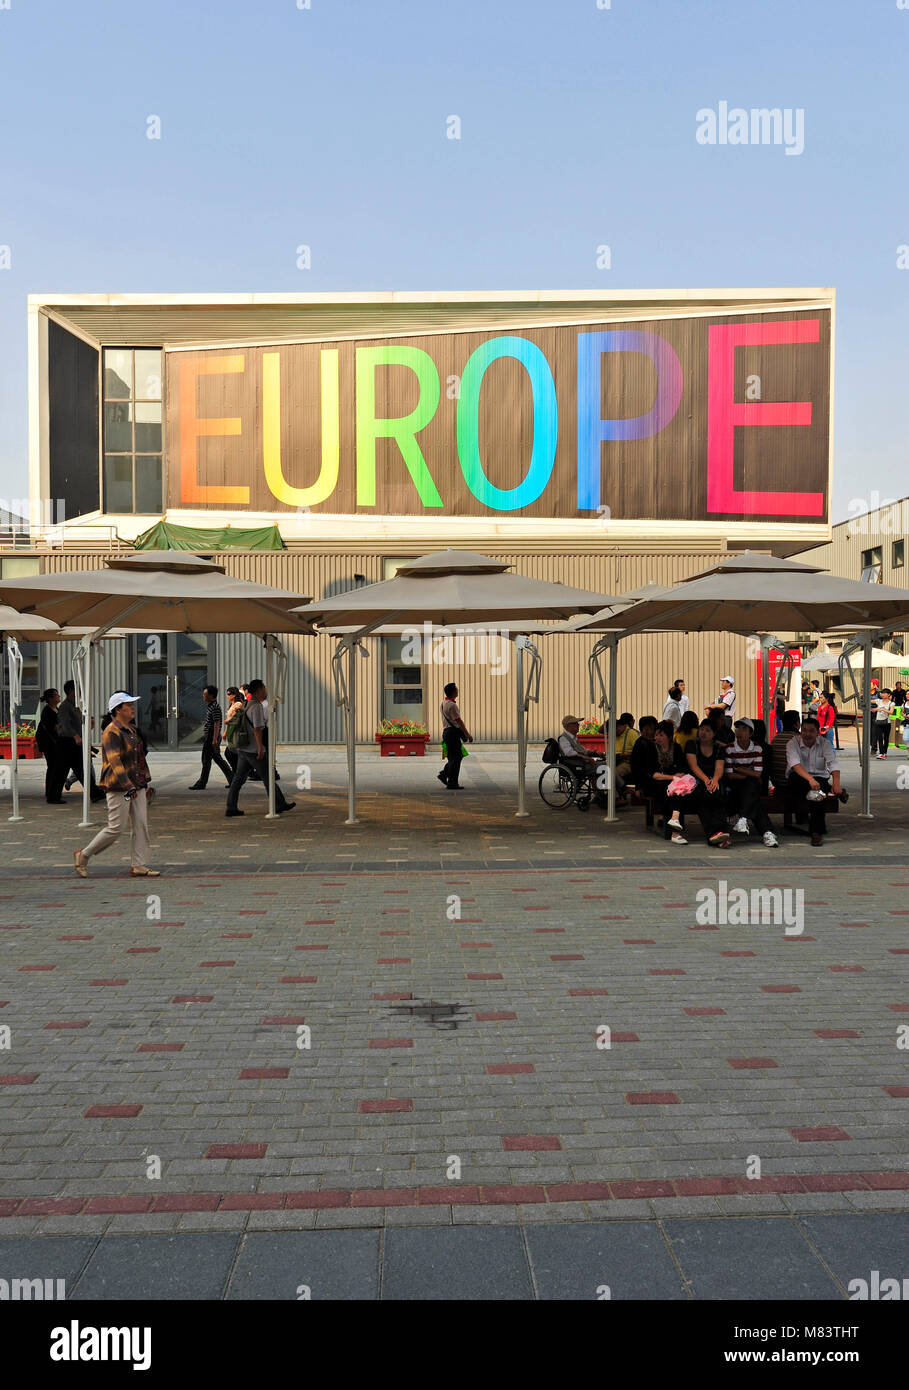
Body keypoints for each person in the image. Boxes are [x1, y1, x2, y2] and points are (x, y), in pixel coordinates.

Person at [73, 693, 159, 877]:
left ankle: (139, 864)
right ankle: (84, 855)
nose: (133, 708)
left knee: (141, 824)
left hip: (137, 785)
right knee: (116, 827)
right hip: (120, 788)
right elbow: (115, 762)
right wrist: (129, 786)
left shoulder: (131, 729)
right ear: (118, 709)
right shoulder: (111, 732)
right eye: (129, 705)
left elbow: (139, 758)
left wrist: (144, 781)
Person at [225, 678, 295, 817]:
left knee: (238, 779)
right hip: (253, 749)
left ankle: (231, 807)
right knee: (268, 777)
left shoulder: (247, 704)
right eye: (264, 688)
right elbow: (257, 729)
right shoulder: (256, 706)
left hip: (244, 749)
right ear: (258, 690)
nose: (266, 690)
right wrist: (260, 748)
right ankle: (279, 804)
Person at [786, 715, 846, 846]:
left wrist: (836, 783)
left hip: (818, 780)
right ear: (800, 730)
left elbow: (833, 764)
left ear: (817, 732)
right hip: (799, 778)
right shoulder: (792, 743)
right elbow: (795, 765)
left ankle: (815, 833)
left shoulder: (825, 744)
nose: (807, 734)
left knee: (817, 796)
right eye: (804, 730)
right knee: (817, 794)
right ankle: (818, 829)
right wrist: (810, 780)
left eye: (811, 731)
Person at [724, 717, 779, 846]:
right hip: (734, 788)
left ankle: (743, 819)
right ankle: (767, 832)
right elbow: (730, 775)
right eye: (738, 729)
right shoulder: (730, 748)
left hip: (749, 788)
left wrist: (739, 769)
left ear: (751, 733)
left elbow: (758, 773)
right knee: (753, 791)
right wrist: (748, 773)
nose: (739, 732)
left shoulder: (757, 748)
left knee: (752, 788)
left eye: (744, 729)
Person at [685, 719, 731, 846]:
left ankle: (718, 835)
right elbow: (694, 767)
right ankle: (717, 833)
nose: (703, 733)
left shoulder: (718, 748)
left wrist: (714, 780)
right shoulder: (691, 744)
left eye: (708, 730)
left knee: (717, 796)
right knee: (703, 799)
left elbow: (719, 767)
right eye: (702, 729)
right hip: (695, 781)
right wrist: (706, 780)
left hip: (713, 780)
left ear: (714, 734)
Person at [57, 680, 105, 802]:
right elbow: (65, 725)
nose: (80, 690)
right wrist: (75, 736)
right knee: (65, 770)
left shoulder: (76, 705)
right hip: (69, 743)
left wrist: (91, 720)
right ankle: (53, 795)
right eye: (77, 688)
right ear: (71, 691)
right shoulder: (65, 706)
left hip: (77, 743)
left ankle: (94, 793)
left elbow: (82, 719)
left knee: (82, 770)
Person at [646, 719, 690, 844]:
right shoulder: (651, 749)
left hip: (674, 784)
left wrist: (676, 778)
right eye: (656, 735)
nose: (657, 738)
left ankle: (675, 826)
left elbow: (683, 770)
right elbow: (654, 775)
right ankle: (675, 828)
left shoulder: (676, 748)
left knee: (678, 791)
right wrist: (673, 778)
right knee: (674, 792)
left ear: (669, 737)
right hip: (656, 784)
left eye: (661, 735)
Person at [557, 715, 609, 810]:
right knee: (605, 768)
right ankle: (606, 796)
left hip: (582, 763)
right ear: (568, 726)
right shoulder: (563, 738)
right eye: (575, 723)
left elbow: (583, 750)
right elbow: (569, 753)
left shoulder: (573, 738)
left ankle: (601, 794)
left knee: (607, 764)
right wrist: (587, 758)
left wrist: (594, 752)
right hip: (577, 765)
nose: (578, 725)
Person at [189, 685, 233, 790]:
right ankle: (233, 779)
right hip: (210, 736)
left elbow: (217, 724)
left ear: (211, 695)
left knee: (206, 760)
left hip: (211, 736)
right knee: (217, 759)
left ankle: (201, 783)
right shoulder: (211, 706)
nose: (203, 696)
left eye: (205, 694)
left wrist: (214, 739)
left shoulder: (215, 707)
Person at [438, 682, 472, 789]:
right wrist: (467, 734)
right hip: (452, 733)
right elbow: (459, 721)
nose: (457, 690)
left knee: (454, 757)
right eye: (456, 689)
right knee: (456, 757)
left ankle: (445, 775)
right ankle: (451, 782)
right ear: (453, 692)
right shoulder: (452, 705)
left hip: (447, 733)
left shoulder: (443, 703)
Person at [36, 688, 66, 803]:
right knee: (53, 766)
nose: (59, 697)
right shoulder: (47, 711)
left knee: (53, 767)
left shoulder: (56, 709)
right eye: (56, 695)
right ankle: (51, 793)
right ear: (50, 699)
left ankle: (51, 791)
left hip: (55, 742)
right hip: (49, 743)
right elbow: (49, 728)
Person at [770, 710, 802, 791]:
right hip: (796, 785)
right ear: (797, 724)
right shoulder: (801, 739)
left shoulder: (775, 739)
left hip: (777, 784)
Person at [629, 716, 658, 788]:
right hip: (644, 781)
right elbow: (635, 766)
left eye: (651, 729)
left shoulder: (659, 741)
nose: (649, 732)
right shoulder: (639, 743)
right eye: (646, 729)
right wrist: (638, 786)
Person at [222, 686, 243, 779]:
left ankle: (238, 773)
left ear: (234, 695)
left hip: (236, 732)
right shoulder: (231, 705)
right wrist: (225, 733)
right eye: (227, 694)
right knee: (232, 753)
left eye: (229, 694)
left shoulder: (238, 704)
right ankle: (236, 772)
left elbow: (236, 716)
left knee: (230, 752)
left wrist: (228, 720)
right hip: (231, 731)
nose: (227, 696)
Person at [613, 713, 638, 784]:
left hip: (627, 762)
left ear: (622, 726)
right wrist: (610, 719)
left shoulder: (632, 733)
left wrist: (624, 755)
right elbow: (600, 730)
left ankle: (623, 790)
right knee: (597, 772)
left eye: (616, 729)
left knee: (613, 774)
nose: (614, 731)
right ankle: (600, 794)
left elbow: (639, 751)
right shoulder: (615, 734)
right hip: (614, 760)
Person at [873, 687, 894, 758]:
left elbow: (891, 712)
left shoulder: (891, 703)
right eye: (882, 693)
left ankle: (884, 753)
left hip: (887, 723)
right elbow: (869, 701)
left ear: (888, 695)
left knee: (886, 738)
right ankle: (881, 753)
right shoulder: (878, 701)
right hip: (878, 722)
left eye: (884, 693)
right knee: (879, 738)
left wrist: (882, 709)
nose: (882, 694)